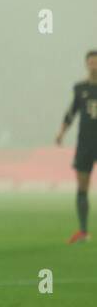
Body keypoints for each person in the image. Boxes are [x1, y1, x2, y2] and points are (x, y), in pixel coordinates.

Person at [55, 50, 97, 244]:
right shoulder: (80, 88)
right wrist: (62, 132)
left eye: (96, 62)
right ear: (86, 64)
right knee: (82, 186)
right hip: (85, 143)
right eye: (91, 62)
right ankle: (83, 231)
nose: (93, 65)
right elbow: (71, 113)